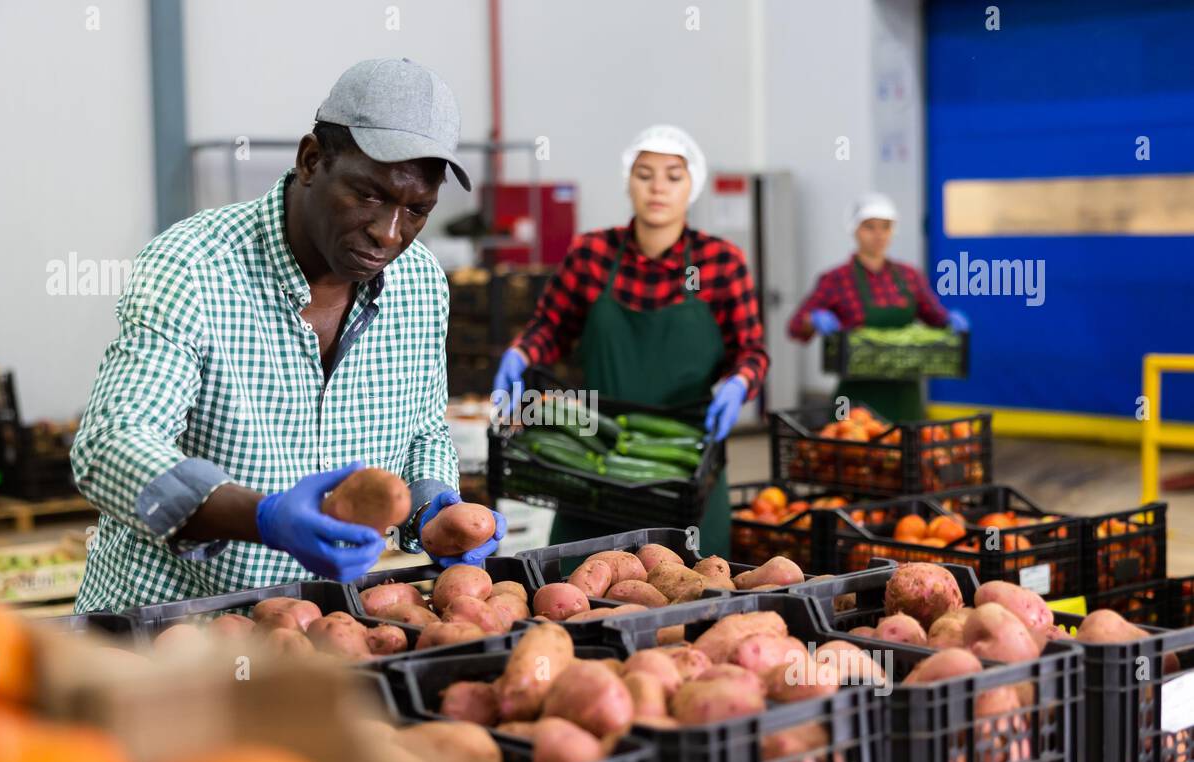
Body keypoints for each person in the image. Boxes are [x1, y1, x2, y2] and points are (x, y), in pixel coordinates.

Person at [71, 58, 504, 613]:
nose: (388, 233)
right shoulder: (193, 266)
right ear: (311, 160)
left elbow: (421, 433)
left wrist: (432, 509)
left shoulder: (419, 284)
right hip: (168, 632)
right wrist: (263, 516)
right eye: (369, 195)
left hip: (316, 638)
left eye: (416, 209)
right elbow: (111, 444)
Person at [492, 125, 768, 558]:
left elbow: (751, 351)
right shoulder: (592, 254)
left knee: (693, 596)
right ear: (628, 181)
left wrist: (739, 384)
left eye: (673, 176)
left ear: (691, 185)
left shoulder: (720, 262)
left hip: (687, 462)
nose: (658, 187)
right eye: (645, 174)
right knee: (574, 594)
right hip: (594, 455)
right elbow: (551, 326)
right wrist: (521, 350)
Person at [787, 192, 968, 422]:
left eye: (885, 227)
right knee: (852, 450)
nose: (878, 234)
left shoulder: (909, 276)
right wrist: (812, 320)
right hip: (855, 398)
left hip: (905, 396)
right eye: (869, 227)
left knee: (906, 453)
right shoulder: (836, 279)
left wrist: (949, 320)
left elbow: (935, 317)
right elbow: (794, 328)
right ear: (854, 230)